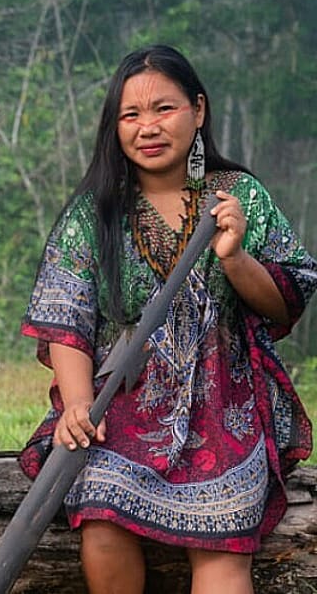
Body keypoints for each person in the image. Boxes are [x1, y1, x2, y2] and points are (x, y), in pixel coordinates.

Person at [18, 45, 315, 593]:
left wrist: (234, 256)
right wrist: (79, 402)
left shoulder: (239, 195)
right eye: (131, 115)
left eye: (164, 109)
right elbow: (66, 318)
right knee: (102, 519)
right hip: (122, 404)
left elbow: (285, 300)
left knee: (220, 548)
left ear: (198, 111)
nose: (147, 127)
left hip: (228, 407)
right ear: (115, 127)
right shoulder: (93, 213)